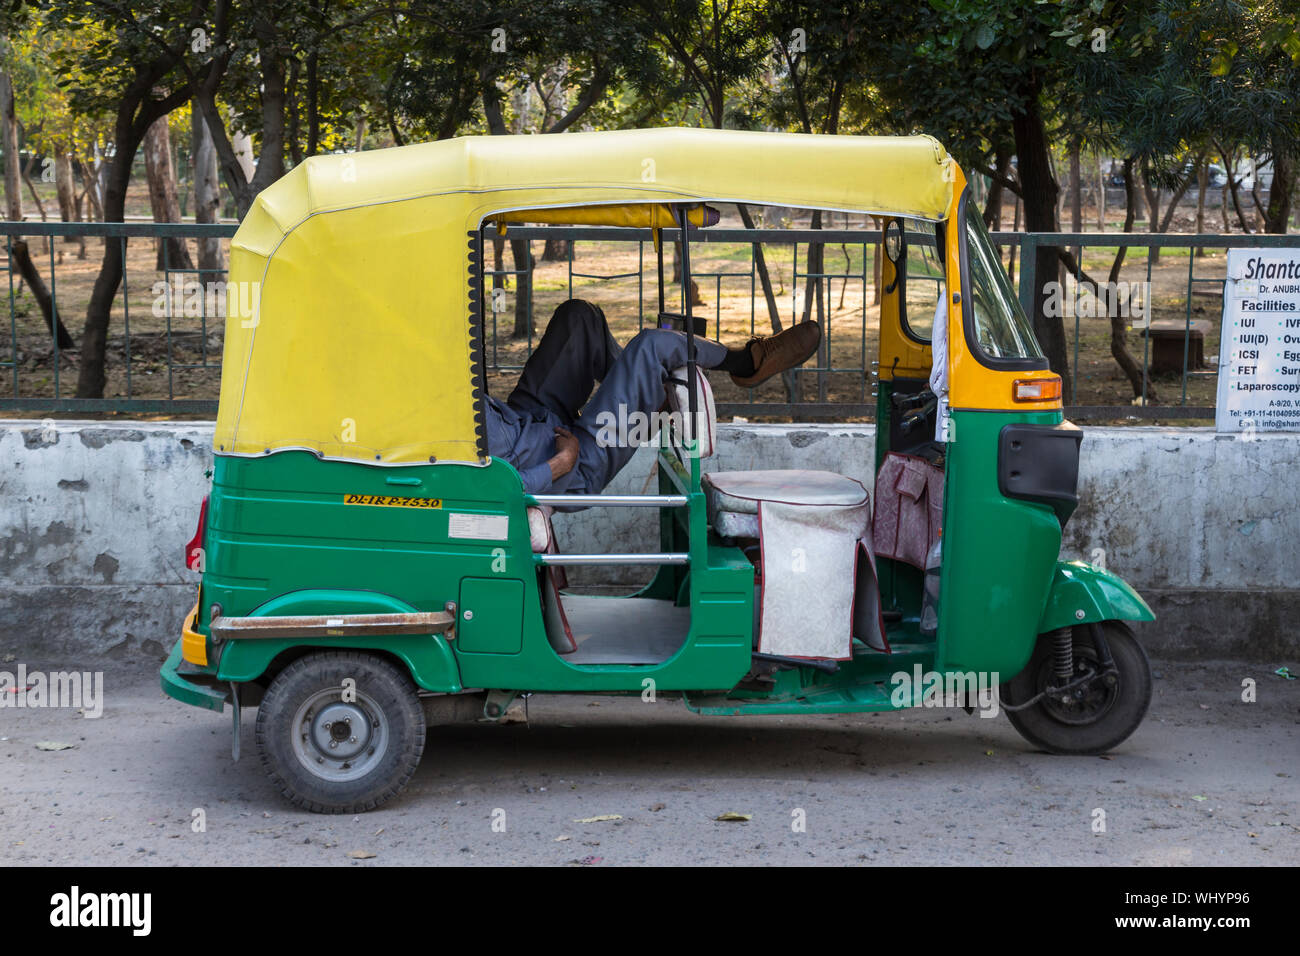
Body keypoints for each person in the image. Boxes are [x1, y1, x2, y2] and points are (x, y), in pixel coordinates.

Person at [487, 299, 821, 495]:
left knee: (579, 317)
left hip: (527, 419)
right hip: (576, 459)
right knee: (653, 344)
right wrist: (563, 462)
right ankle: (746, 362)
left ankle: (642, 389)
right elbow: (493, 490)